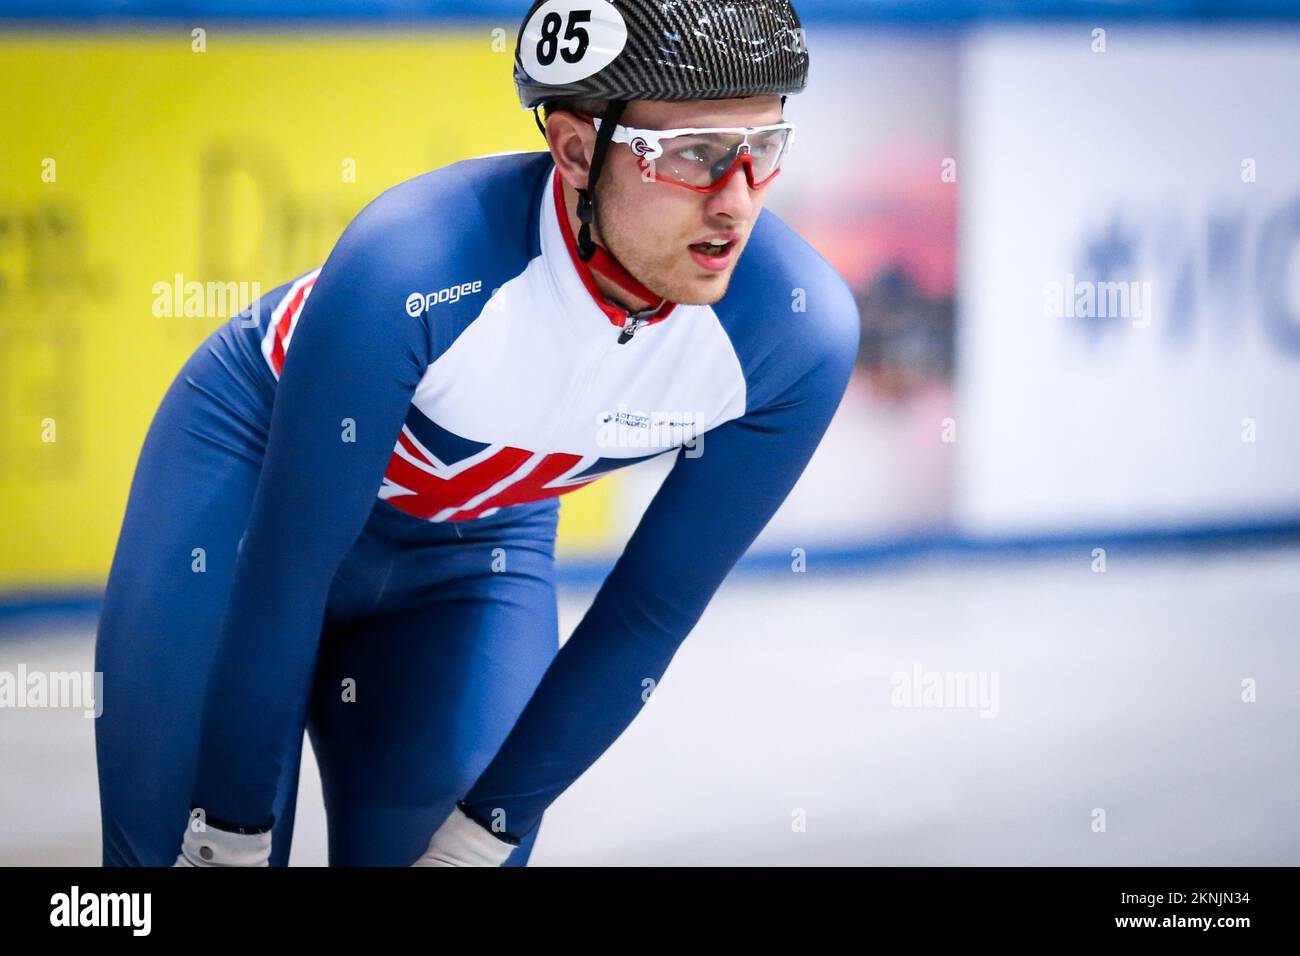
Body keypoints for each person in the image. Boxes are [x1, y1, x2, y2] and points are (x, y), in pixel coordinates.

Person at [94, 0, 859, 867]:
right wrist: (229, 832)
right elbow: (285, 571)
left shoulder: (798, 333)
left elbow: (649, 613)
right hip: (256, 481)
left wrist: (485, 830)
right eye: (691, 155)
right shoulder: (411, 263)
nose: (737, 201)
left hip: (475, 546)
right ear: (575, 150)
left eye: (762, 149)